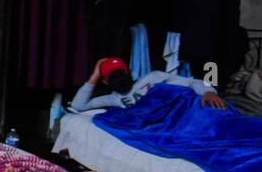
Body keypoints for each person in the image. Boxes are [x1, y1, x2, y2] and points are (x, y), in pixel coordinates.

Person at [70, 57, 227, 112]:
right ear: (105, 82)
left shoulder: (153, 77)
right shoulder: (113, 99)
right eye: (113, 76)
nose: (119, 78)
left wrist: (208, 91)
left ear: (130, 73)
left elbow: (193, 81)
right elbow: (78, 106)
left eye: (121, 73)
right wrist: (94, 76)